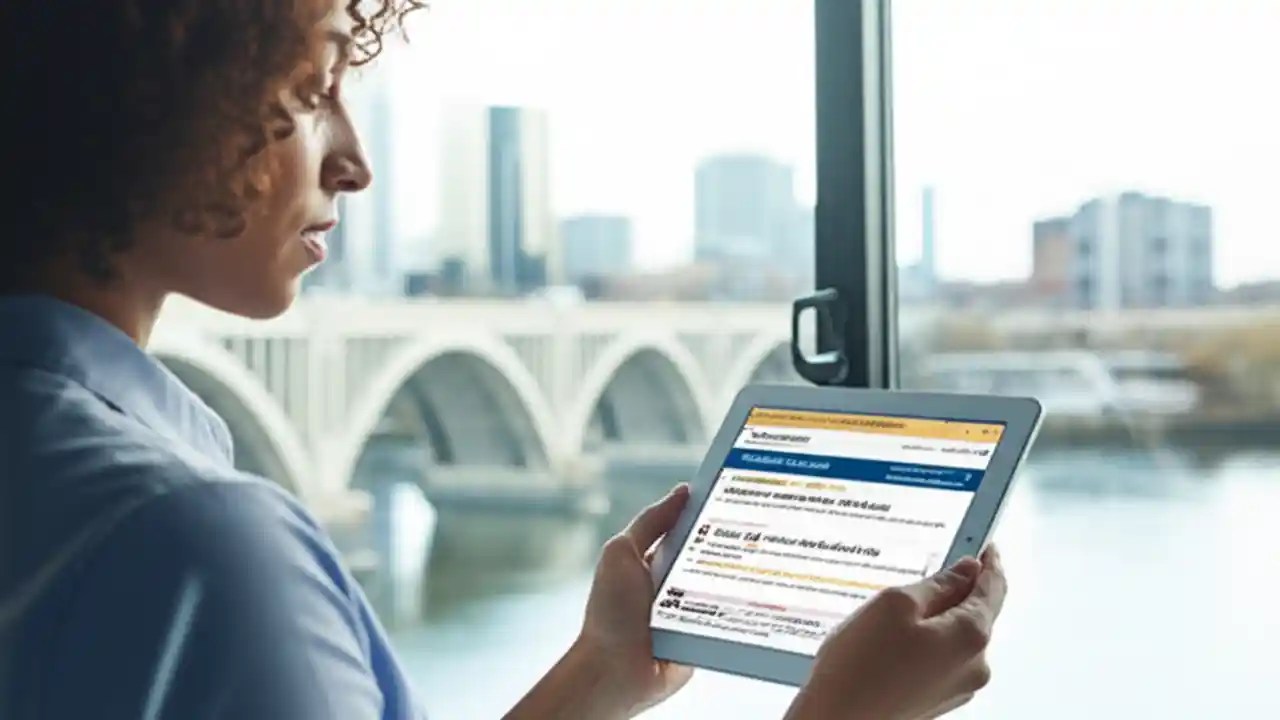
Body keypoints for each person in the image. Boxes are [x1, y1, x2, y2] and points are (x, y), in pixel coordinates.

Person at [0, 1, 1008, 718]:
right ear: (137, 102)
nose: (353, 161)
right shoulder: (195, 546)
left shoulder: (55, 468)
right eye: (309, 89)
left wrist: (598, 678)